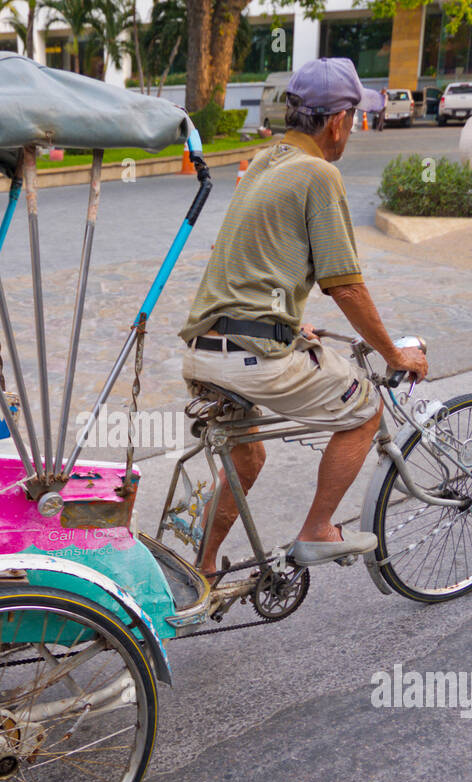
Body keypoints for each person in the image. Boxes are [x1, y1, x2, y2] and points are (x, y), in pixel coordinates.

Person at [179, 57, 428, 574]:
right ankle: (317, 529)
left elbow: (253, 262)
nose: (353, 130)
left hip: (206, 349)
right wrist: (393, 353)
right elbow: (346, 285)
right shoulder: (319, 173)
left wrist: (290, 324)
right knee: (365, 409)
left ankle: (201, 570)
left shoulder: (266, 160)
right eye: (355, 118)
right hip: (253, 357)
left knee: (246, 458)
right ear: (338, 121)